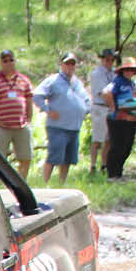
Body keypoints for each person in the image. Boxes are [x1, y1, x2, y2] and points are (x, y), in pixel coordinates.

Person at [32, 52, 89, 185]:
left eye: (72, 63)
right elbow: (37, 95)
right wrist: (47, 110)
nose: (70, 66)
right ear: (61, 64)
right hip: (58, 127)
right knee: (54, 157)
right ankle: (45, 183)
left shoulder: (77, 82)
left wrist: (85, 110)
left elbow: (86, 99)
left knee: (68, 159)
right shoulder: (53, 80)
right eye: (67, 63)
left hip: (74, 126)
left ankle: (61, 183)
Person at [0, 49, 35, 179]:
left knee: (26, 157)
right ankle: (1, 183)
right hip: (1, 126)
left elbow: (29, 99)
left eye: (11, 60)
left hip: (21, 125)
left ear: (14, 61)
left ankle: (21, 183)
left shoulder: (24, 80)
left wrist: (29, 118)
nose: (8, 63)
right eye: (5, 61)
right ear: (1, 63)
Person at [101, 56, 136, 181]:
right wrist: (114, 108)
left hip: (130, 121)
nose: (129, 72)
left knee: (126, 147)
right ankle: (112, 174)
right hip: (118, 120)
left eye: (132, 69)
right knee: (117, 146)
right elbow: (106, 92)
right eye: (127, 69)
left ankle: (119, 173)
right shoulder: (118, 81)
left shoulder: (132, 83)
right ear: (122, 71)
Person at [88, 48, 116, 174]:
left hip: (110, 107)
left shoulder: (114, 73)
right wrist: (112, 105)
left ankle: (104, 164)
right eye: (107, 59)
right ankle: (93, 165)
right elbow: (104, 93)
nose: (109, 62)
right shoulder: (97, 74)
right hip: (100, 107)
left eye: (111, 59)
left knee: (108, 139)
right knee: (97, 139)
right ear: (102, 59)